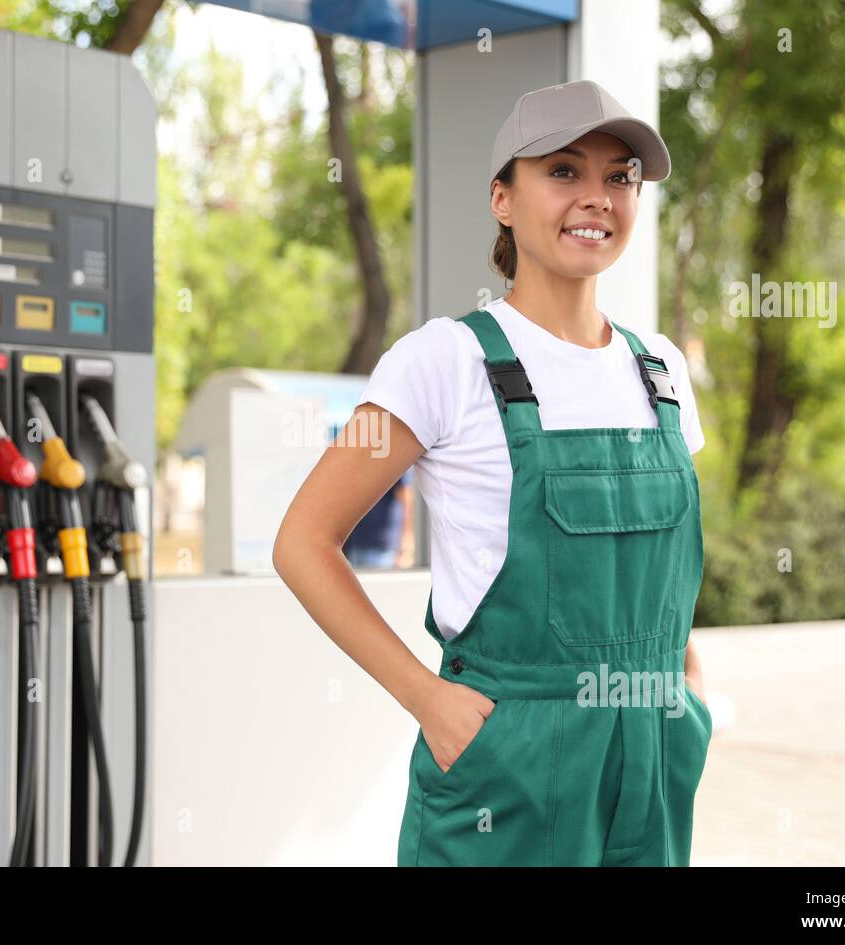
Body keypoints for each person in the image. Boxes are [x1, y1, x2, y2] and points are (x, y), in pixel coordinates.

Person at [273, 80, 712, 866]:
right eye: (565, 172)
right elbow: (304, 541)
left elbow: (668, 573)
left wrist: (687, 689)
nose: (597, 197)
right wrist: (429, 700)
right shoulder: (440, 361)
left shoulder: (663, 370)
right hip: (509, 766)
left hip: (653, 753)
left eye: (620, 177)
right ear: (503, 198)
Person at [341, 468, 415, 568]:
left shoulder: (391, 456)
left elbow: (405, 496)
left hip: (382, 547)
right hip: (355, 544)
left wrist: (406, 542)